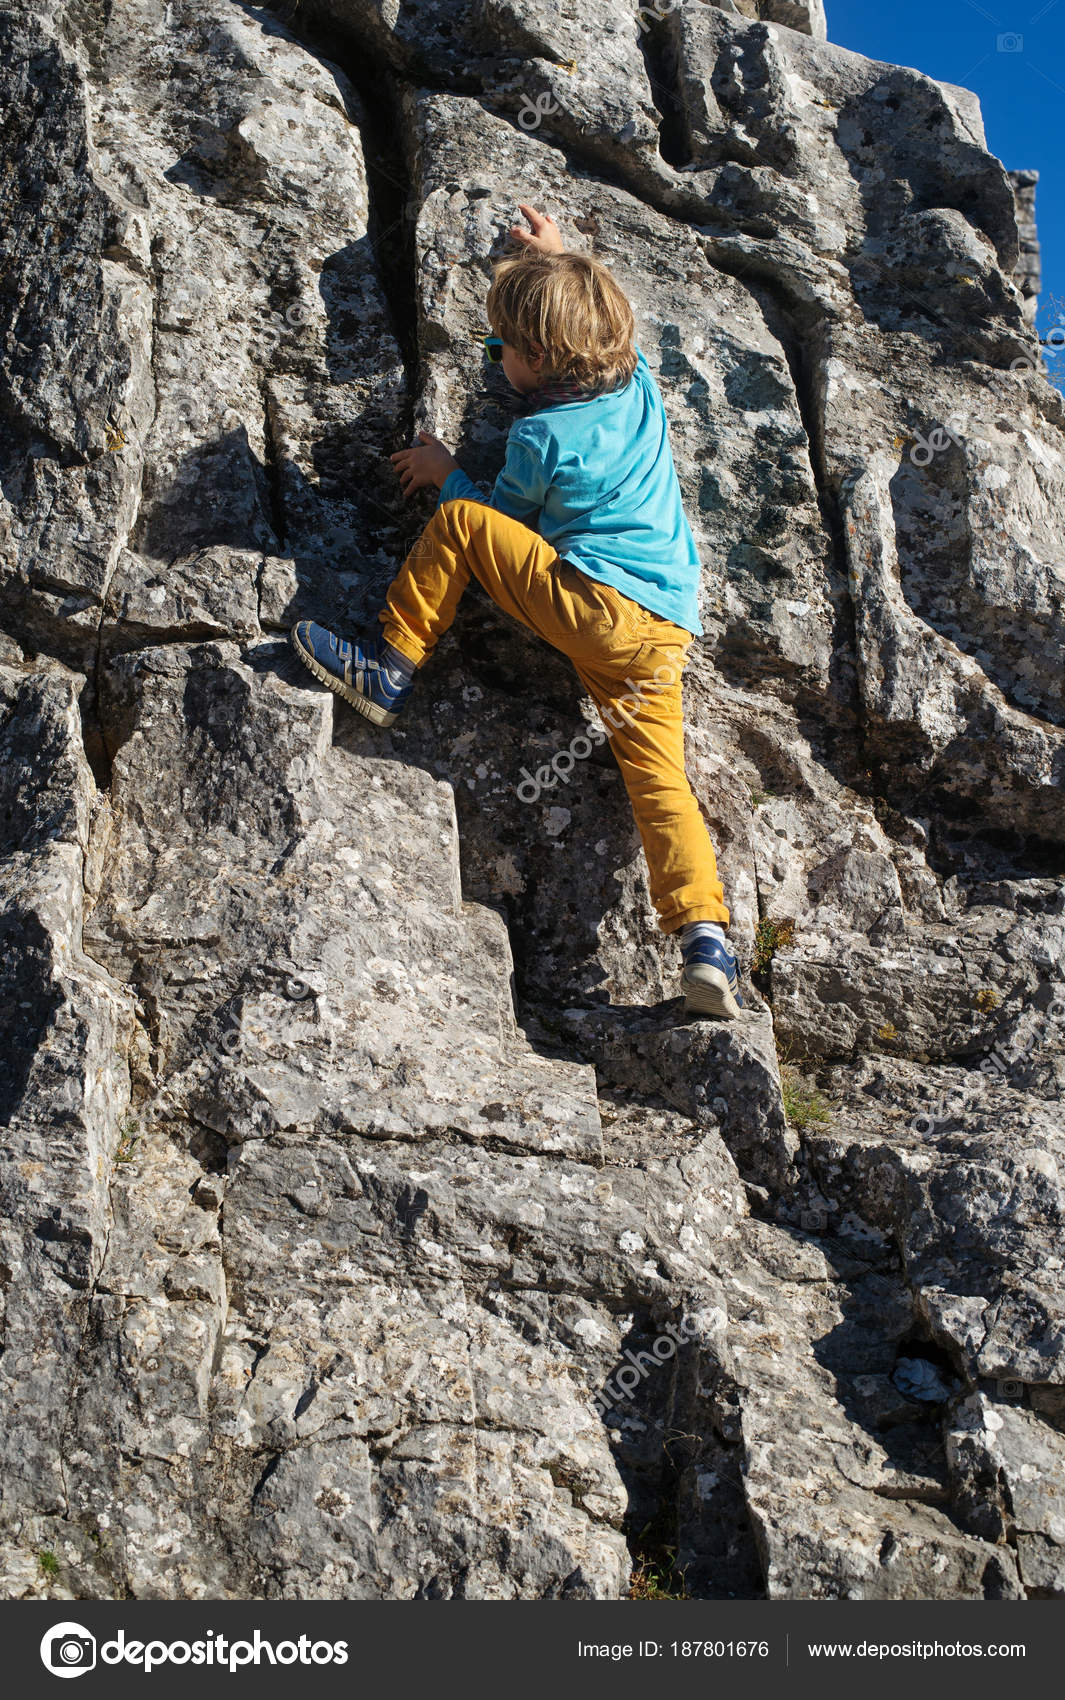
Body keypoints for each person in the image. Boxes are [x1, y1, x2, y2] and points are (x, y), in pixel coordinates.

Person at [291, 204, 742, 1018]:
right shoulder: (637, 385)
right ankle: (704, 939)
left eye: (498, 350)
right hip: (663, 629)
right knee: (659, 780)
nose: (494, 361)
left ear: (535, 360)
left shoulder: (540, 439)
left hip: (590, 606)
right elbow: (597, 321)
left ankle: (388, 668)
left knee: (462, 526)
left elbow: (504, 525)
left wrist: (443, 470)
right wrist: (558, 258)